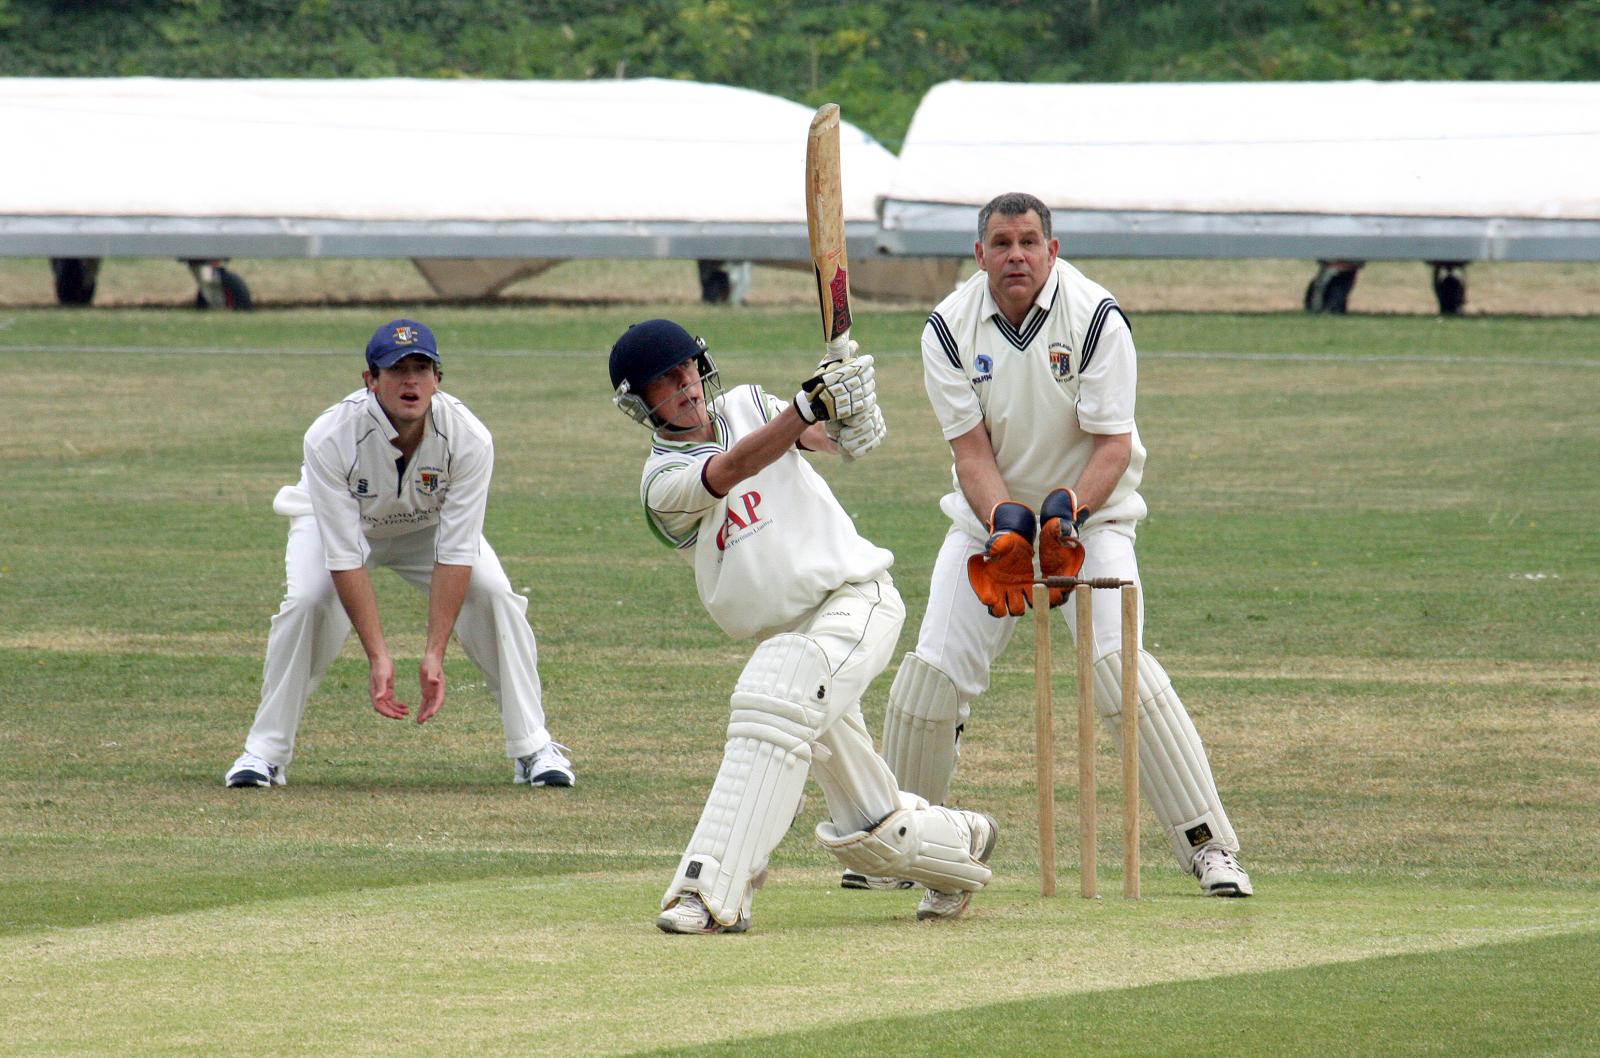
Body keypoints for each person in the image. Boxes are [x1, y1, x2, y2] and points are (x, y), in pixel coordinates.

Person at [880, 192, 1253, 897]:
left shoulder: (1097, 316)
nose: (1015, 254)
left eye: (1028, 241)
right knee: (931, 677)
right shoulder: (948, 326)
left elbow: (1113, 445)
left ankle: (1210, 847)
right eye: (1001, 242)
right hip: (991, 527)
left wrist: (1066, 514)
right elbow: (970, 452)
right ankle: (899, 847)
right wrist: (1006, 528)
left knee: (1119, 674)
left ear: (1052, 250)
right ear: (980, 253)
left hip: (1093, 521)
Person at [608, 318, 997, 933]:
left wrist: (849, 415)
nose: (683, 385)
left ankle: (710, 892)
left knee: (774, 690)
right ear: (639, 404)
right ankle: (960, 841)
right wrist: (803, 407)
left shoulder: (750, 402)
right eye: (663, 381)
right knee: (872, 833)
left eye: (686, 368)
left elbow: (826, 440)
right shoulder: (661, 485)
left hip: (855, 599)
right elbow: (732, 468)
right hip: (788, 641)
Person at [224, 318, 573, 790]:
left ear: (437, 379)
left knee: (492, 592)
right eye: (396, 369)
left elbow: (457, 549)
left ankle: (533, 747)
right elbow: (345, 556)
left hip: (427, 525)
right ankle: (264, 753)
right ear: (370, 380)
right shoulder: (329, 436)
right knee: (309, 601)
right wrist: (378, 656)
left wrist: (434, 652)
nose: (410, 380)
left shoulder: (469, 437)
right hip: (340, 522)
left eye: (421, 368)